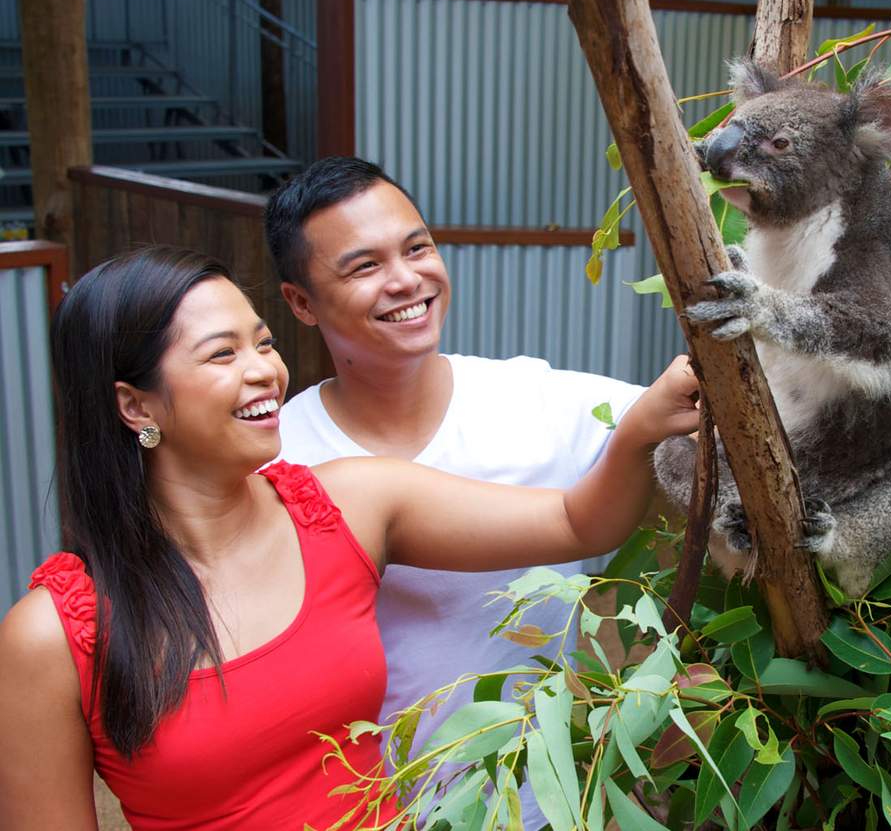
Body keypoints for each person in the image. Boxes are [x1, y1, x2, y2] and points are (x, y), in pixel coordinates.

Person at [0, 246, 698, 830]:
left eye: (264, 342)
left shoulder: (349, 503)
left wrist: (641, 424)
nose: (265, 371)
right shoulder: (55, 636)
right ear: (136, 404)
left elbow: (578, 521)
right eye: (222, 354)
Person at [264, 157, 652, 813]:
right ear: (301, 302)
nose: (406, 279)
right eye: (364, 266)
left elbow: (693, 426)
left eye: (417, 248)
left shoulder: (538, 399)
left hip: (549, 801)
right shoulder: (278, 459)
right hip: (368, 804)